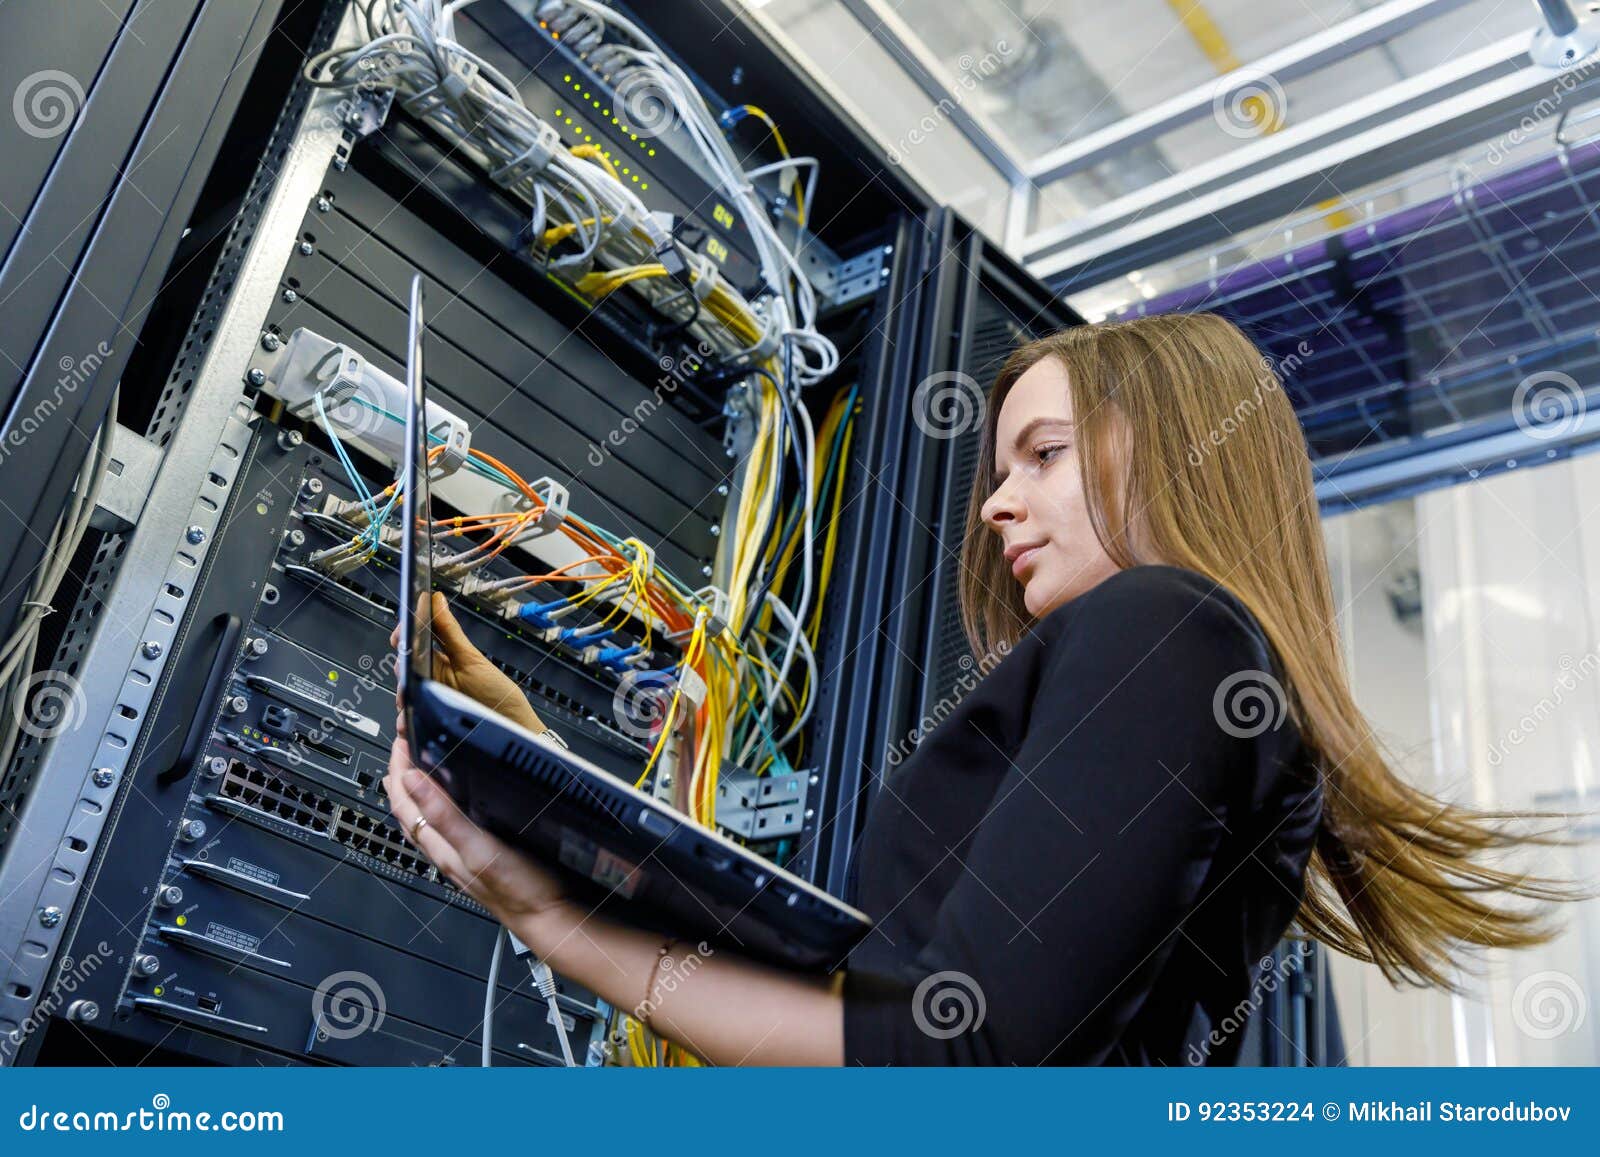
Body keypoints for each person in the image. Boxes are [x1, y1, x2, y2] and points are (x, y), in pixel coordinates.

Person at [384, 313, 1574, 1065]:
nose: (997, 501)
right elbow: (895, 1008)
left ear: (1172, 454)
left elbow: (951, 1057)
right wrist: (549, 782)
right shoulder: (1182, 664)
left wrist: (563, 921)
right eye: (1000, 466)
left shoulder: (1171, 628)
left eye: (1042, 456)